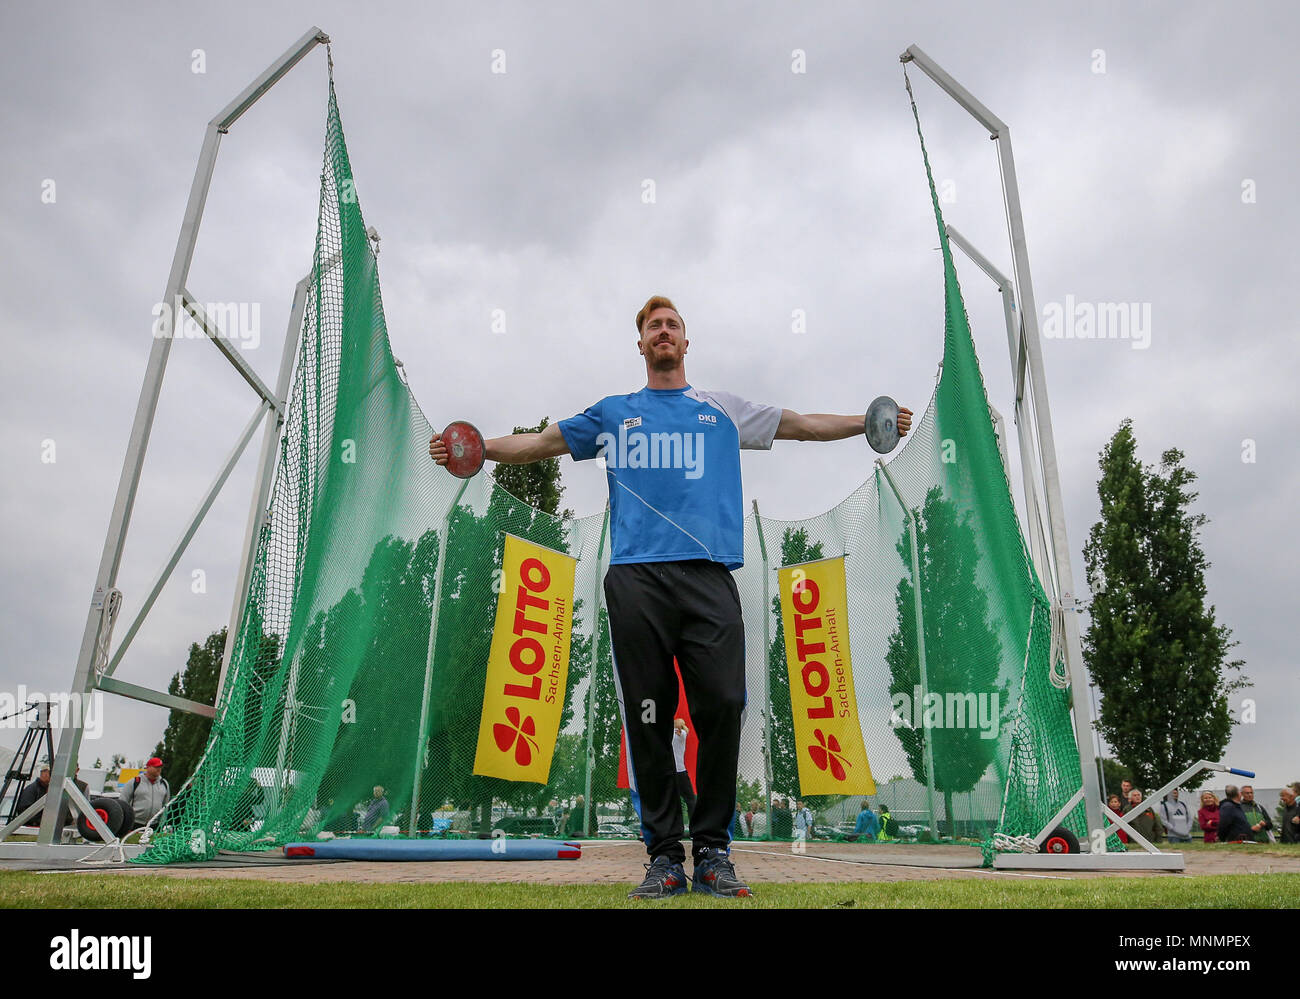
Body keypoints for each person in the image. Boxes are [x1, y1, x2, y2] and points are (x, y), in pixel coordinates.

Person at [431, 295, 911, 899]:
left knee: (724, 706)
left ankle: (712, 850)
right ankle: (663, 857)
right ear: (641, 345)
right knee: (648, 717)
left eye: (672, 325)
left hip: (709, 576)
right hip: (637, 579)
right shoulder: (614, 413)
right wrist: (473, 449)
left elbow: (801, 425)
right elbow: (542, 443)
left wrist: (865, 425)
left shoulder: (722, 410)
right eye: (653, 326)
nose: (663, 331)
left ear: (686, 342)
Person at [121, 757, 170, 832]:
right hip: (134, 824)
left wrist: (162, 824)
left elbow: (165, 805)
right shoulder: (135, 782)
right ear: (148, 767)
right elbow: (123, 802)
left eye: (160, 767)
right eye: (156, 767)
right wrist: (124, 823)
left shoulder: (164, 784)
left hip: (155, 825)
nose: (159, 769)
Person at [671, 718, 696, 829]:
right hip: (680, 771)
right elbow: (685, 728)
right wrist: (682, 726)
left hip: (672, 772)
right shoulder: (682, 734)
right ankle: (694, 828)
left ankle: (676, 829)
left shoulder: (674, 734)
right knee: (690, 800)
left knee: (674, 801)